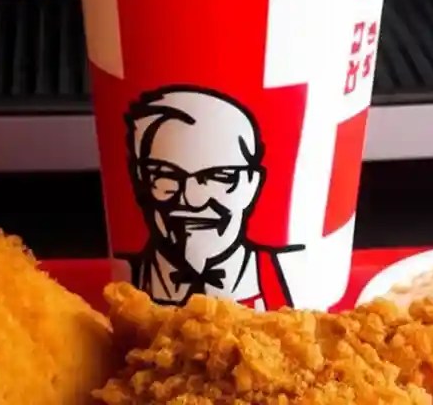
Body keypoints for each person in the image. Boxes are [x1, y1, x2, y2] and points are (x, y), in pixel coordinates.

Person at [115, 86, 297, 310]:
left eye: (220, 176)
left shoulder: (294, 273)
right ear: (140, 179)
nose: (193, 200)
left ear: (252, 184)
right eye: (166, 175)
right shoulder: (122, 281)